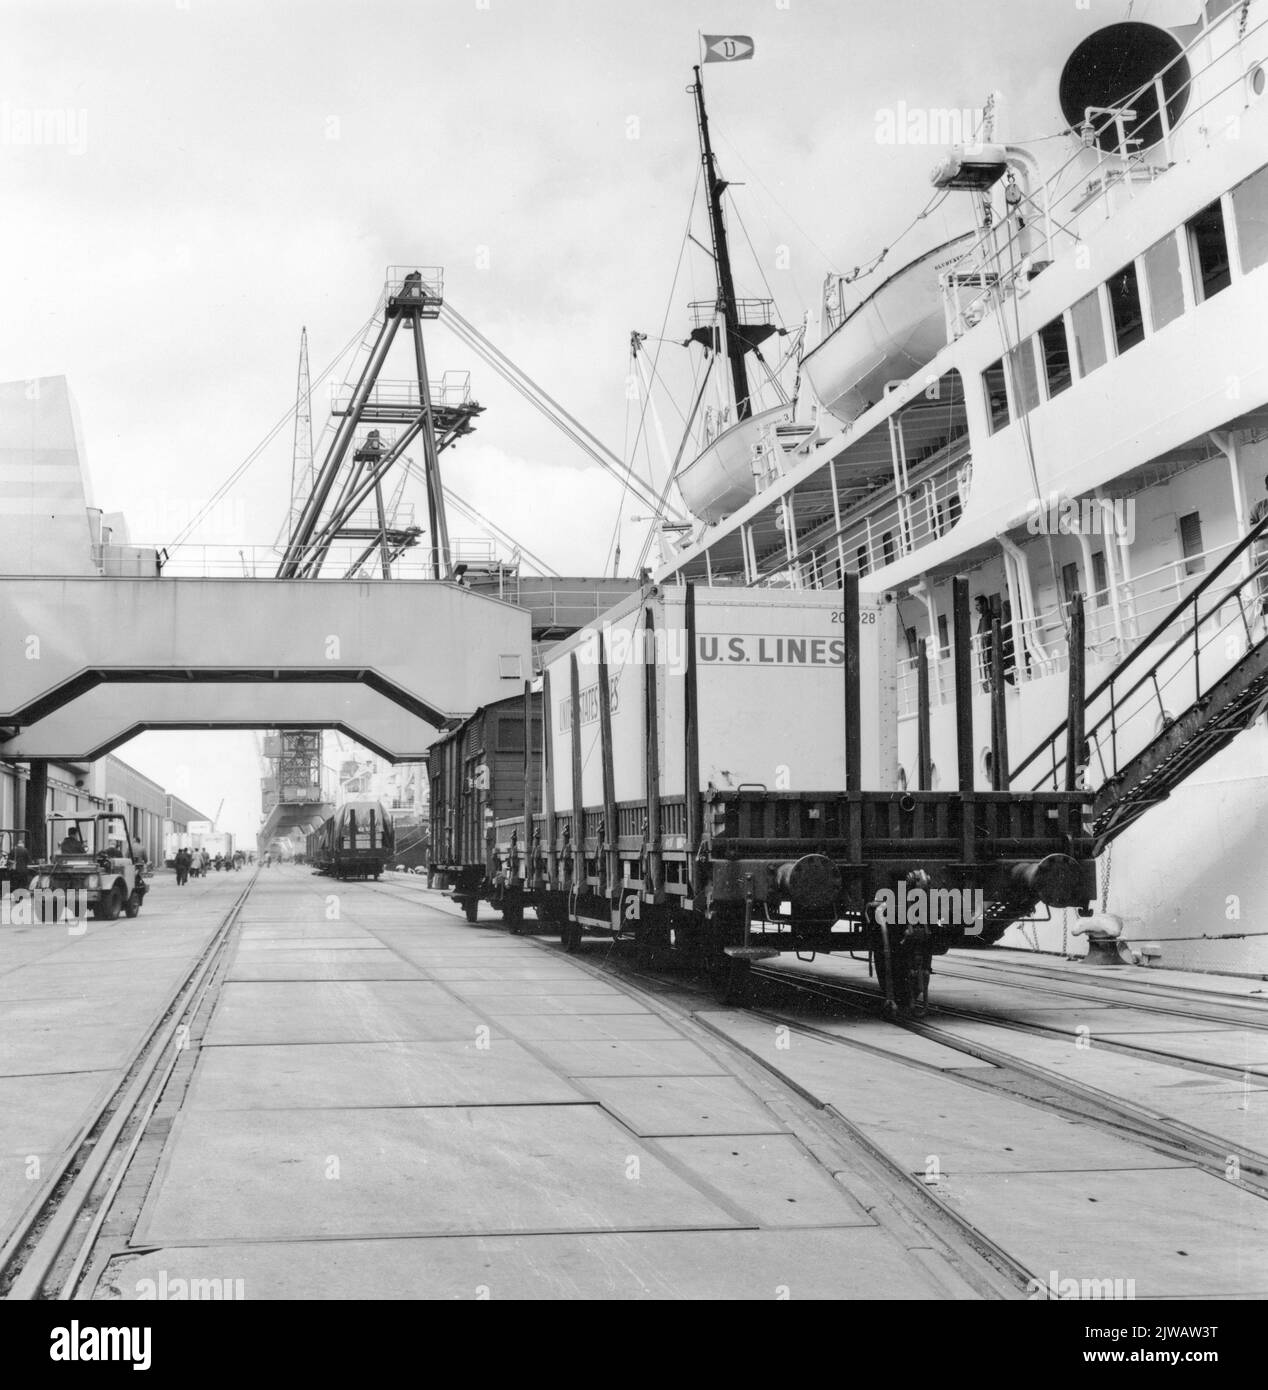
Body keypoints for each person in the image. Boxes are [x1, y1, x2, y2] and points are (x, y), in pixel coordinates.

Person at [1250, 472, 1268, 620]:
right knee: (1264, 578)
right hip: (1264, 549)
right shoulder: (1259, 507)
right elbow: (1250, 528)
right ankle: (1266, 606)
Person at [974, 595, 994, 693]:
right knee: (986, 668)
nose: (976, 608)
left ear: (984, 604)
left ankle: (991, 686)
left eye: (978, 605)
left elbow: (986, 634)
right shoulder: (983, 618)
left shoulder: (988, 616)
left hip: (989, 647)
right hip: (984, 648)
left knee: (989, 667)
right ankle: (988, 686)